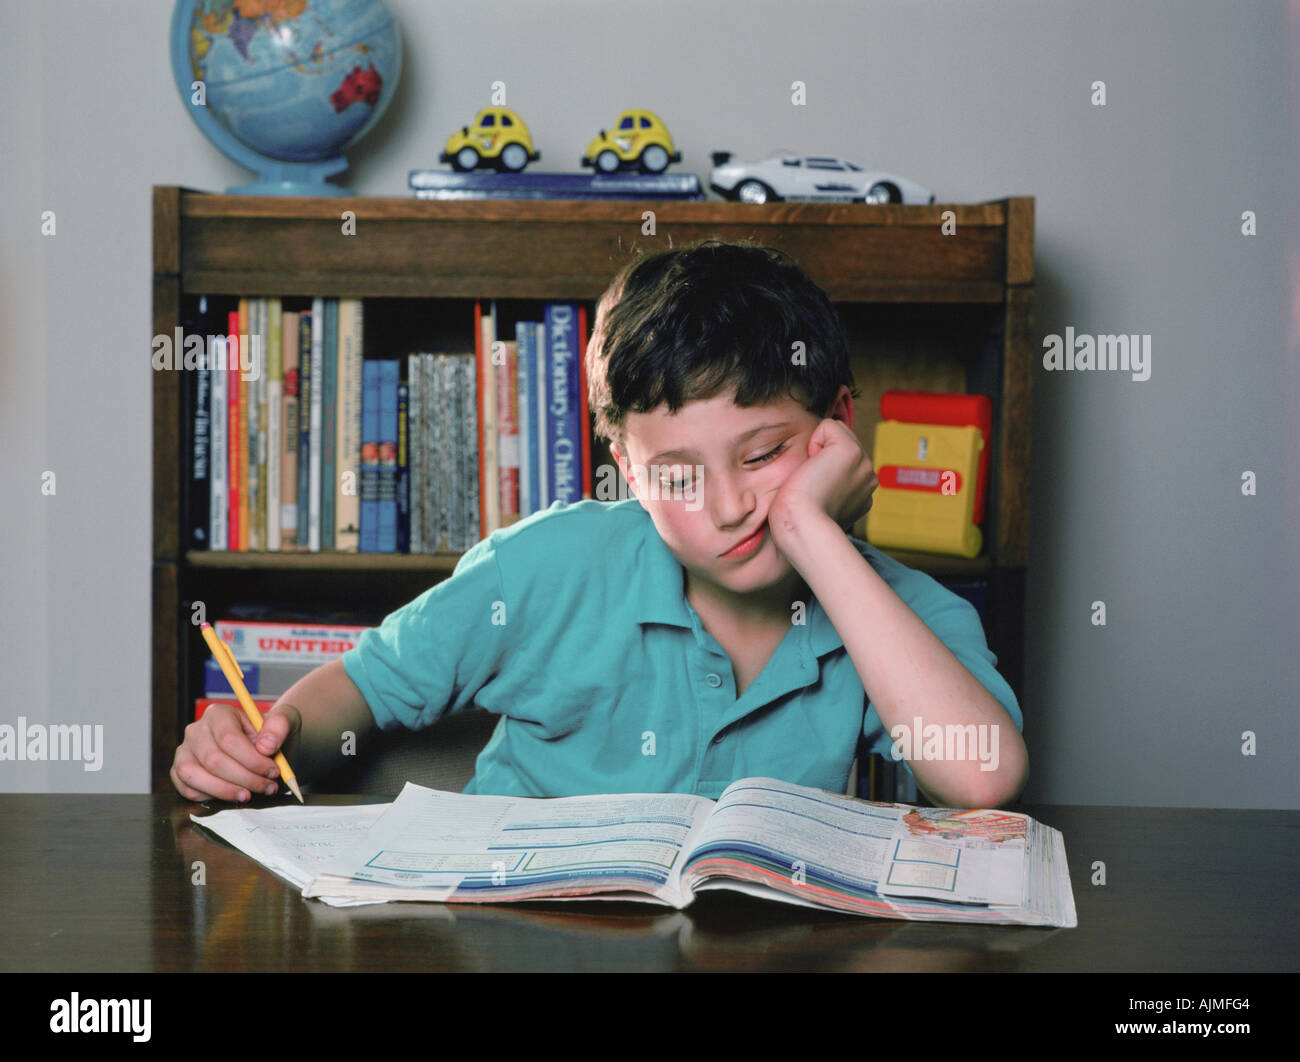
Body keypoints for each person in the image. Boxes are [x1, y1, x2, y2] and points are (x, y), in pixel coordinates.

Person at [171, 239, 1027, 808]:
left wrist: (814, 533)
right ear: (624, 469)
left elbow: (984, 778)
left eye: (765, 457)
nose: (728, 507)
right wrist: (262, 739)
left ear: (839, 427)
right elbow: (362, 689)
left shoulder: (893, 612)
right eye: (678, 475)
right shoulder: (546, 567)